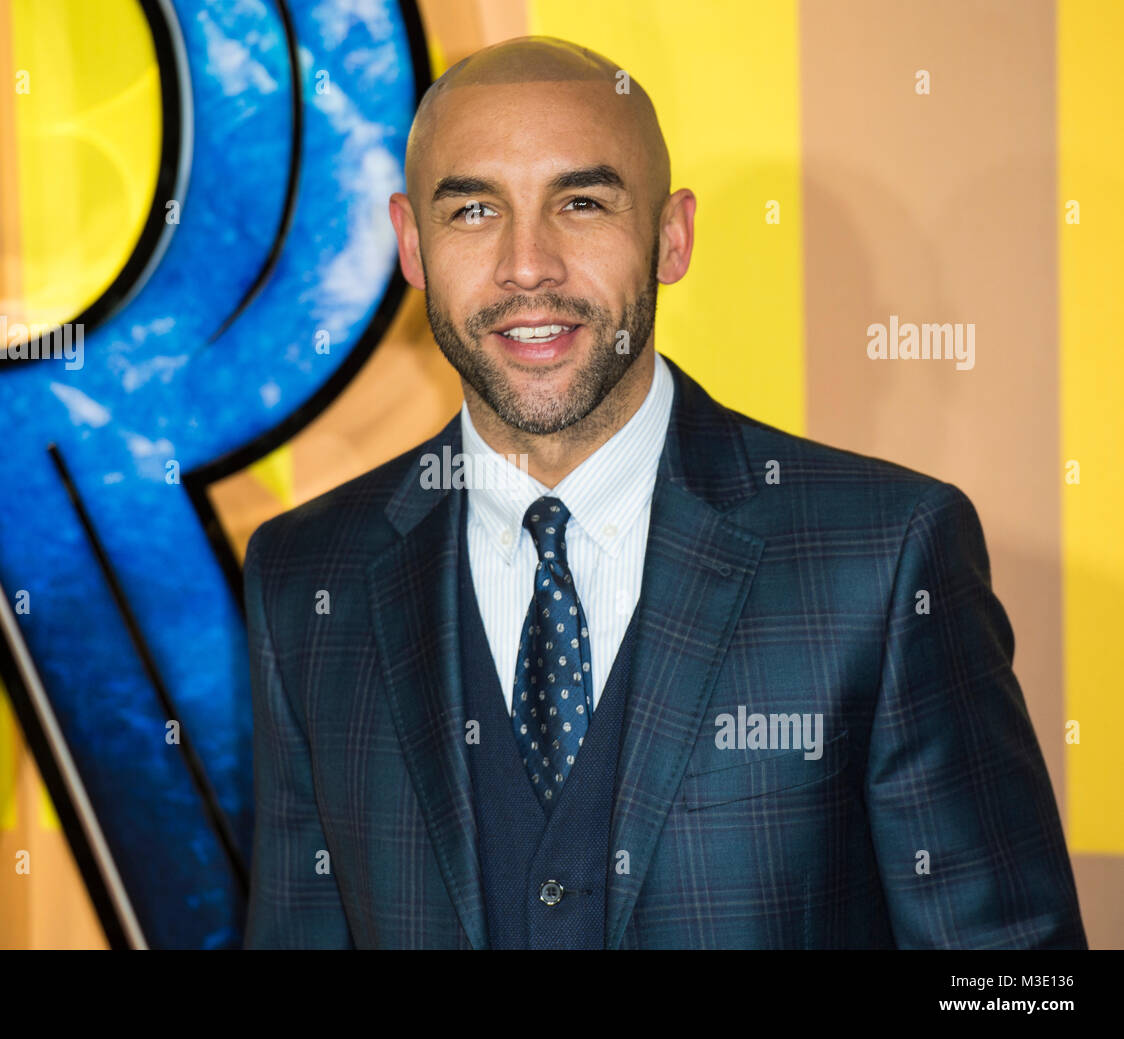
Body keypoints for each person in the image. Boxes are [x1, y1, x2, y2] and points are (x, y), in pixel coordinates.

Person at [241, 36, 1086, 949]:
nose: (529, 265)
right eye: (476, 209)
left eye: (583, 202)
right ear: (411, 243)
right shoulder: (308, 578)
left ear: (671, 236)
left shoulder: (885, 558)